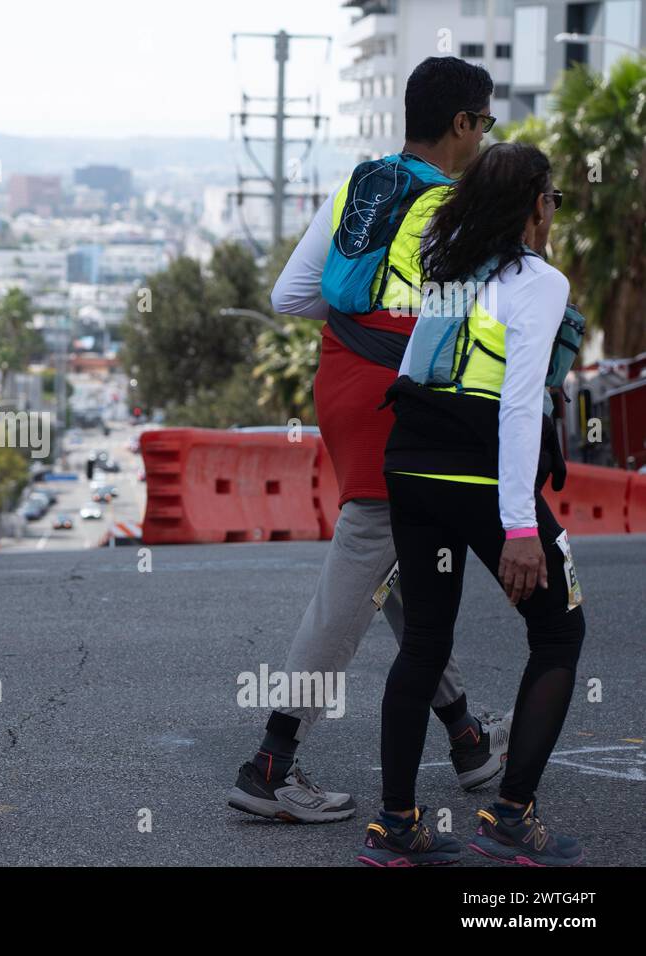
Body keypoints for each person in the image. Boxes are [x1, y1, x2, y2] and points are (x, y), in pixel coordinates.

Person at [228, 57, 509, 824]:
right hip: (403, 404)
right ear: (461, 123)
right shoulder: (461, 207)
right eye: (484, 123)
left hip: (341, 384)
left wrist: (361, 329)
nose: (485, 138)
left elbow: (291, 296)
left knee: (400, 566)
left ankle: (468, 739)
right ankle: (271, 764)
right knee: (357, 575)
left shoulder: (362, 183)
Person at [359, 142, 586, 866]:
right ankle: (512, 817)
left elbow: (414, 366)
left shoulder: (449, 265)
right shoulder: (539, 281)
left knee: (425, 642)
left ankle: (396, 827)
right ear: (531, 206)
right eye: (551, 199)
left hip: (412, 462)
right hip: (479, 472)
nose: (553, 213)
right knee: (559, 631)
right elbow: (519, 405)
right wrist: (520, 526)